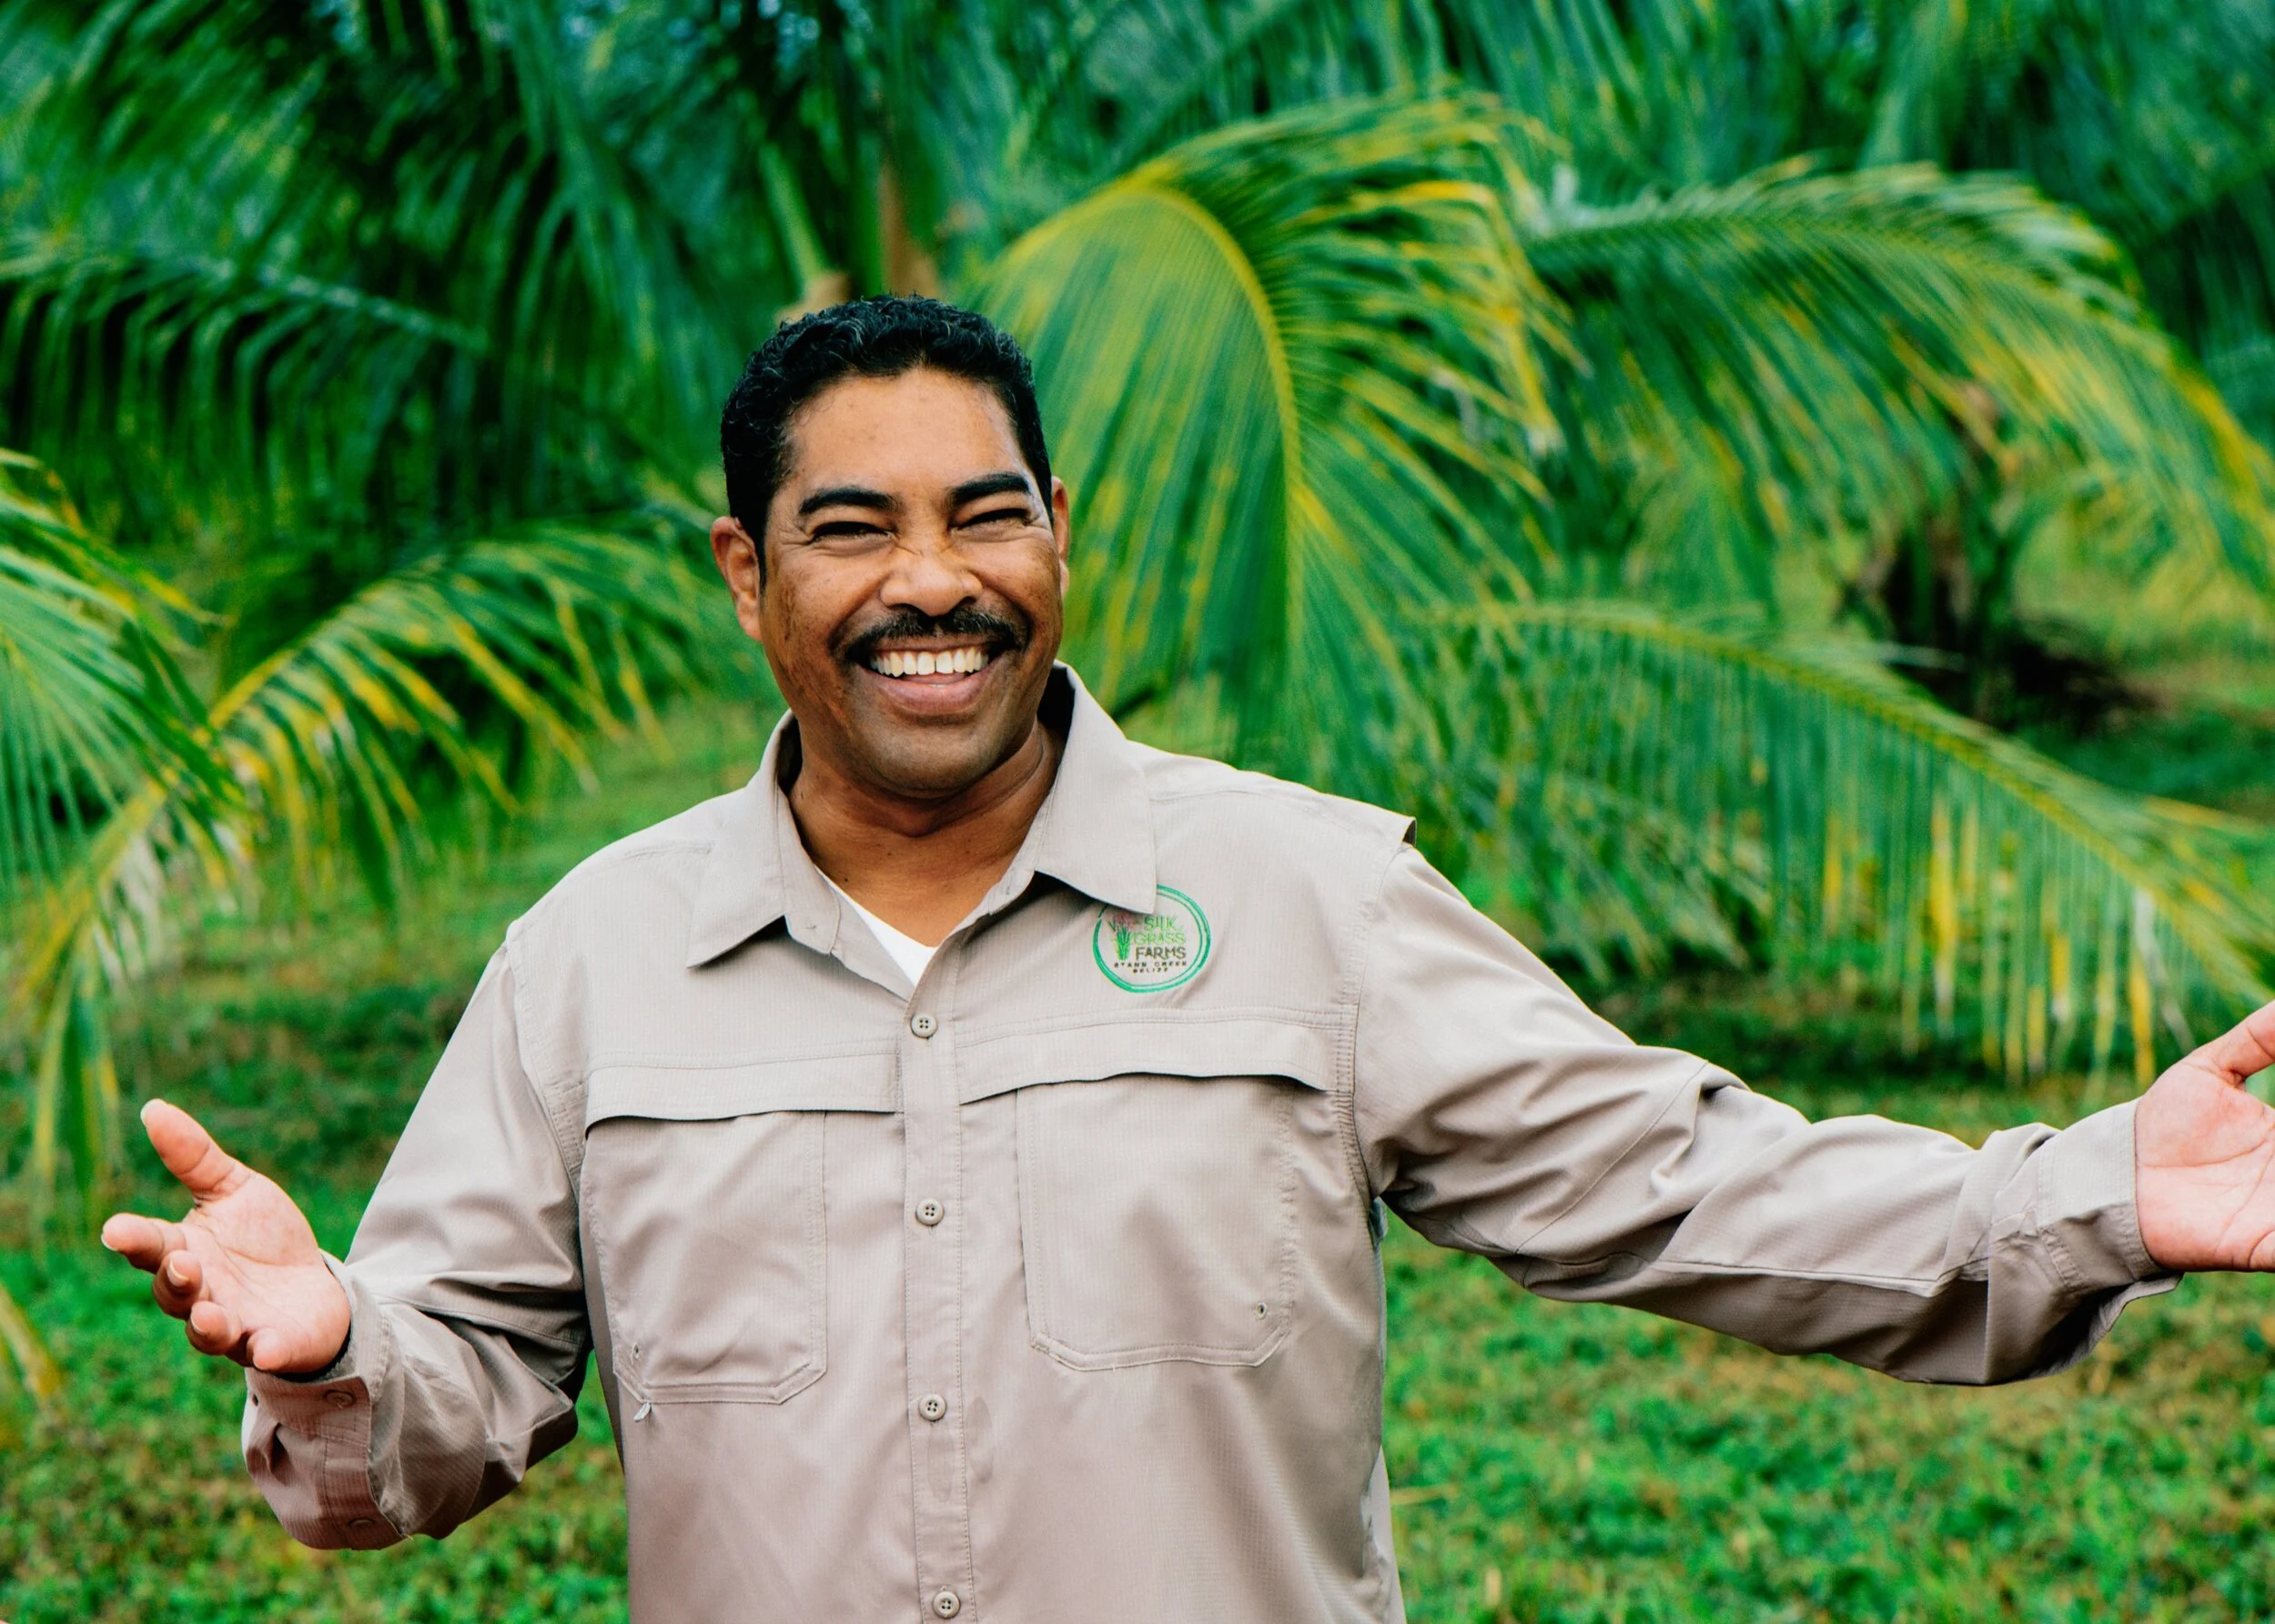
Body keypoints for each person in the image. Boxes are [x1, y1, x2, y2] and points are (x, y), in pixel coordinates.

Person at [105, 295, 2275, 1624]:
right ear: (745, 576)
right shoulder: (593, 959)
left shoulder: (1306, 897)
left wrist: (2102, 1189)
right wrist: (332, 1349)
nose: (929, 584)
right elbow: (443, 1411)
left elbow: (1685, 1181)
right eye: (850, 530)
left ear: (1060, 535)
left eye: (988, 512)